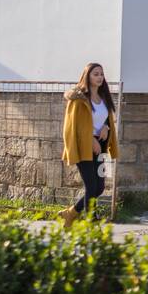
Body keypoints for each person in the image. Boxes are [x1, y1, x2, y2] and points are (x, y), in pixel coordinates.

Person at [60, 62, 119, 227]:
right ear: (87, 76)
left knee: (99, 187)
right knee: (91, 185)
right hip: (84, 147)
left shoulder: (103, 97)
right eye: (96, 74)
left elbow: (106, 119)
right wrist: (90, 139)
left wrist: (106, 127)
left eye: (101, 74)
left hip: (101, 147)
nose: (100, 77)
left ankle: (71, 213)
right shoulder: (78, 99)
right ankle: (91, 222)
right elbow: (72, 126)